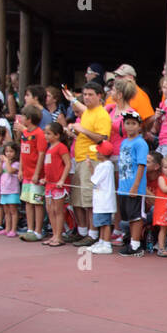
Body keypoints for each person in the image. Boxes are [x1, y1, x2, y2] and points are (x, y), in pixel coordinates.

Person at [62, 80, 111, 245]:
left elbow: (103, 138)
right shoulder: (88, 111)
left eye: (91, 95)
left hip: (92, 159)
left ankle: (92, 233)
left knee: (90, 200)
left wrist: (82, 130)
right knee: (78, 199)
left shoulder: (101, 114)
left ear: (99, 96)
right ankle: (82, 231)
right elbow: (80, 107)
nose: (87, 98)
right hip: (80, 158)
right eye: (85, 95)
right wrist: (75, 132)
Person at [117, 111, 149, 256]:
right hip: (123, 186)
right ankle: (131, 241)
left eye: (133, 124)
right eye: (127, 123)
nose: (130, 127)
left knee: (136, 216)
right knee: (128, 216)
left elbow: (141, 165)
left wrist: (135, 185)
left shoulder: (140, 143)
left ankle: (136, 245)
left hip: (134, 186)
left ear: (139, 126)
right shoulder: (124, 142)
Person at [17, 106, 47, 242]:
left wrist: (37, 173)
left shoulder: (39, 133)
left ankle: (38, 230)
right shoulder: (25, 133)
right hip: (26, 174)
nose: (21, 119)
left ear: (29, 119)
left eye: (23, 116)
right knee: (28, 202)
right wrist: (20, 169)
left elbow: (41, 154)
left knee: (37, 203)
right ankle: (30, 228)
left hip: (36, 175)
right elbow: (23, 153)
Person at [40, 121, 71, 246]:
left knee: (58, 210)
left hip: (58, 184)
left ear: (57, 135)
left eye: (49, 134)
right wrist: (45, 178)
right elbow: (48, 166)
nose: (46, 136)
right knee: (50, 210)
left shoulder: (61, 147)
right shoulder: (49, 148)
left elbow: (67, 164)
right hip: (49, 184)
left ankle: (59, 236)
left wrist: (62, 180)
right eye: (45, 134)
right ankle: (54, 235)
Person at [87, 140, 116, 254]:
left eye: (98, 152)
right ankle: (102, 241)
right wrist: (90, 166)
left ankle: (106, 243)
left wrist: (90, 168)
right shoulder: (106, 165)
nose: (96, 154)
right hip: (102, 200)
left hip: (104, 200)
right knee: (102, 223)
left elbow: (94, 180)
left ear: (102, 154)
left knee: (105, 223)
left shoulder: (104, 166)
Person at [0, 143, 21, 236]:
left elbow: (11, 170)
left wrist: (6, 161)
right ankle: (7, 228)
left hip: (13, 190)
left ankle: (13, 229)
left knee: (13, 211)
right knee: (6, 211)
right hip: (4, 190)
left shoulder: (17, 163)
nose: (8, 153)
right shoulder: (4, 163)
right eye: (7, 151)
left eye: (11, 151)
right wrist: (0, 162)